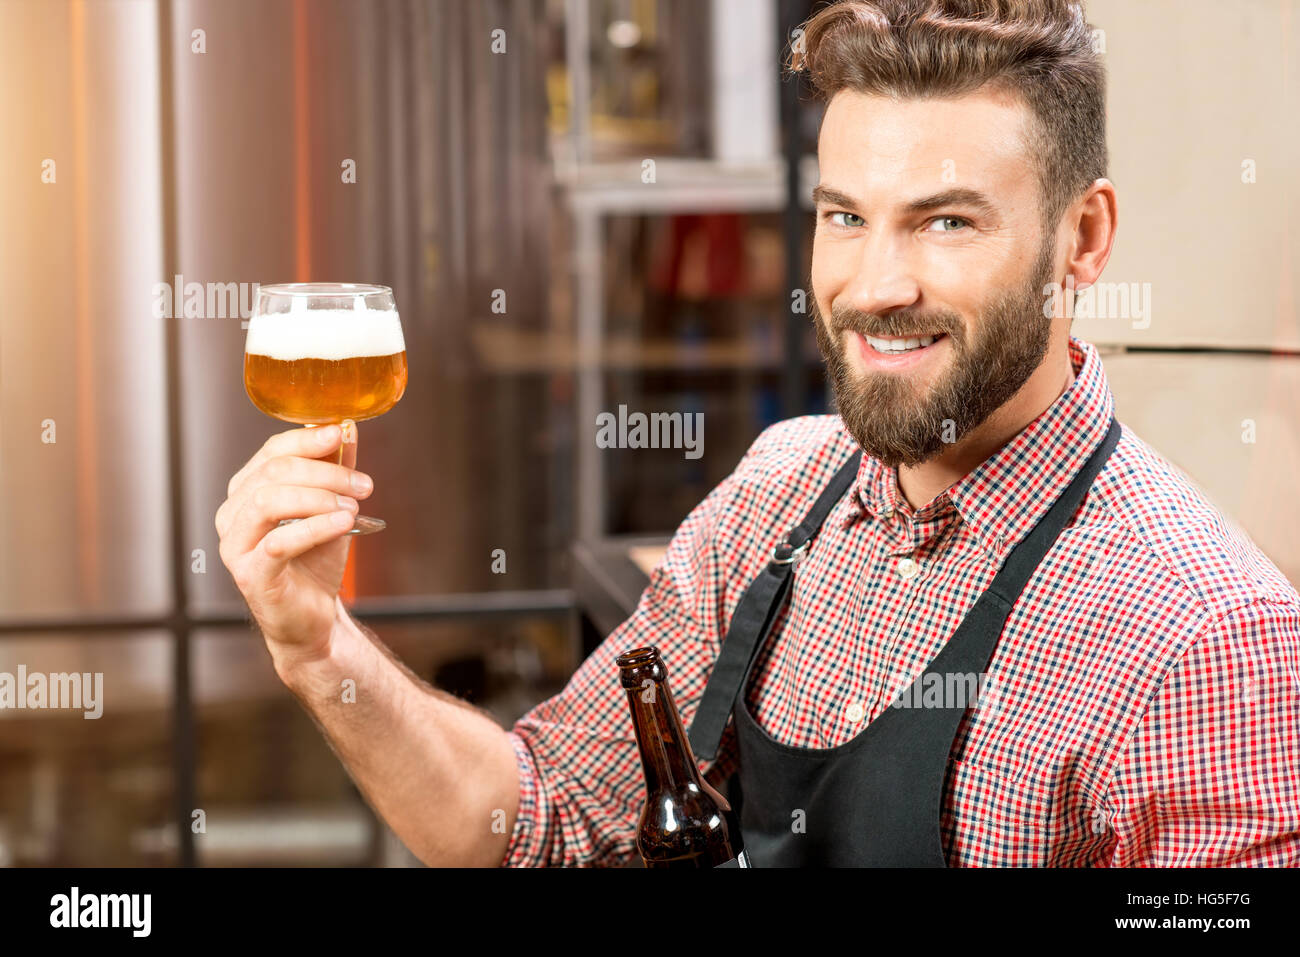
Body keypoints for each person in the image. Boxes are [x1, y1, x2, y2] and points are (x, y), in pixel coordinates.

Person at [216, 0, 1300, 866]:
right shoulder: (784, 489)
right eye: (843, 216)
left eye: (947, 220)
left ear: (1085, 235)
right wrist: (320, 647)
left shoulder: (1205, 641)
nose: (876, 286)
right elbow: (534, 822)